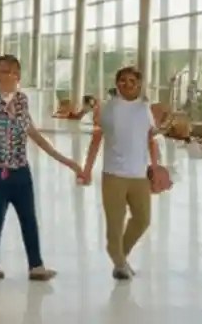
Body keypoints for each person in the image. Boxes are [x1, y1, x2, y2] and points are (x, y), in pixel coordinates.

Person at [0, 54, 83, 282]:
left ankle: (36, 265)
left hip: (21, 171)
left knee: (29, 219)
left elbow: (34, 134)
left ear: (19, 75)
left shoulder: (22, 101)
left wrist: (68, 162)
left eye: (14, 71)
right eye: (3, 71)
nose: (10, 75)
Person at [81, 67, 161, 280]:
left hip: (139, 176)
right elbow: (97, 139)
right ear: (117, 84)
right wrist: (87, 170)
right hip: (114, 175)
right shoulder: (110, 108)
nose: (127, 84)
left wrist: (157, 168)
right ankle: (119, 262)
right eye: (123, 80)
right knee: (115, 224)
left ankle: (120, 256)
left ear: (139, 84)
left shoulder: (145, 109)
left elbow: (150, 139)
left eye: (132, 80)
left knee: (143, 219)